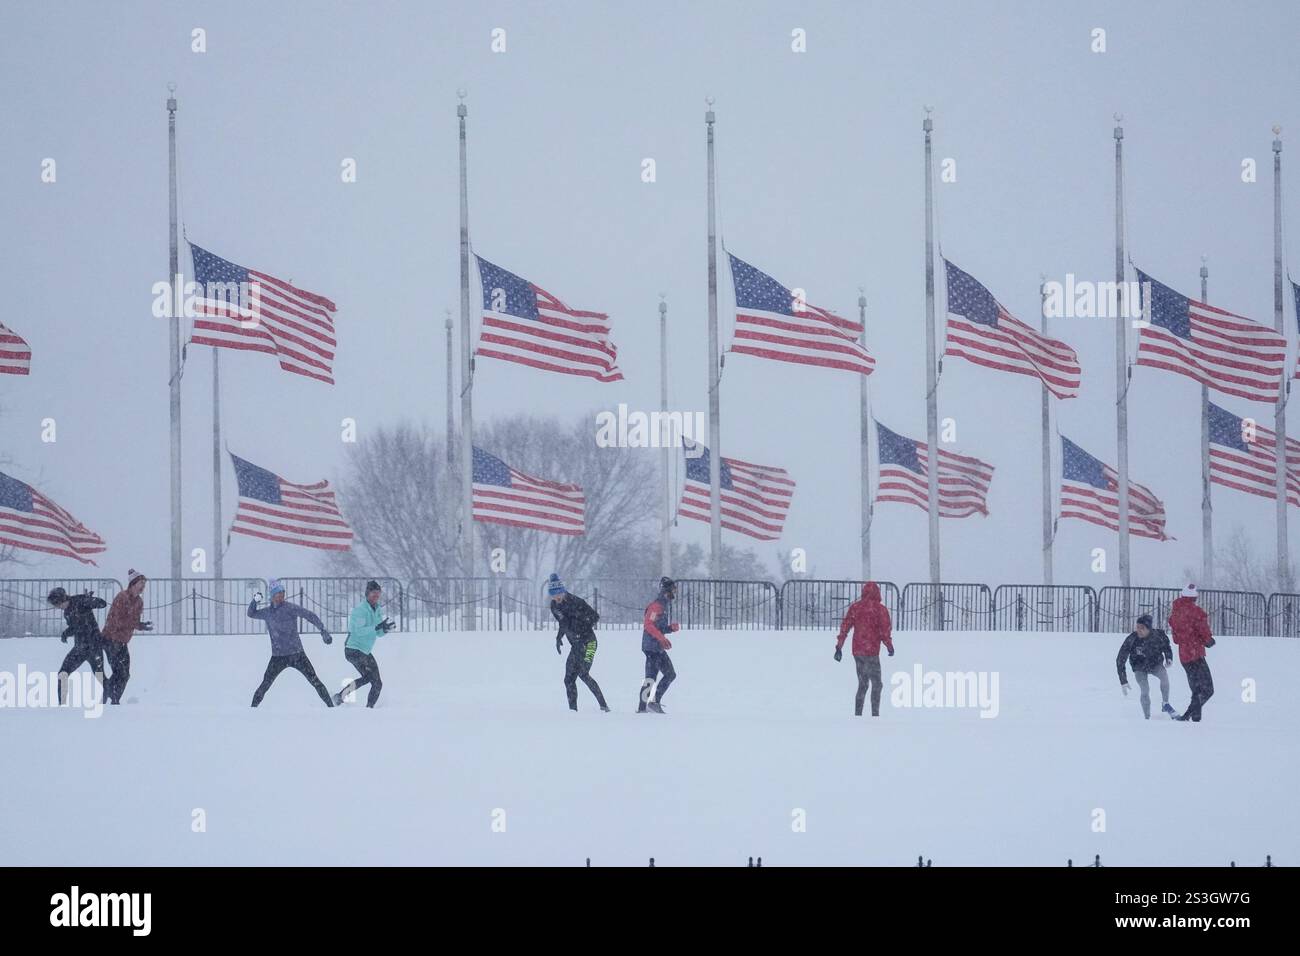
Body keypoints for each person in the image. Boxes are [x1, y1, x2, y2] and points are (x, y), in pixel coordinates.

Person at [247, 579, 335, 708]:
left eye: (282, 593)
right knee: (265, 683)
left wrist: (323, 630)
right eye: (278, 593)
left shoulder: (290, 608)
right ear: (272, 595)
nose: (281, 596)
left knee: (315, 680)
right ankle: (251, 710)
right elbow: (251, 614)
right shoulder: (267, 612)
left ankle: (331, 707)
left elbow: (310, 615)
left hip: (297, 654)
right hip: (278, 657)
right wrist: (255, 601)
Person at [546, 573, 609, 712]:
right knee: (568, 679)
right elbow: (564, 622)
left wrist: (581, 625)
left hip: (590, 643)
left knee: (583, 674)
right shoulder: (554, 606)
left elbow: (595, 617)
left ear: (563, 591)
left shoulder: (576, 602)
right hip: (576, 646)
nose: (557, 598)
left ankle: (604, 707)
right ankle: (573, 712)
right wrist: (559, 637)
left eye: (559, 594)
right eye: (553, 595)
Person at [833, 582, 895, 717]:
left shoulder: (856, 607)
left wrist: (839, 647)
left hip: (858, 652)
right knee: (877, 684)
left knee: (863, 684)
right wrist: (889, 646)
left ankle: (858, 714)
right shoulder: (880, 610)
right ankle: (875, 715)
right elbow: (885, 632)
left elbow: (845, 627)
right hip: (872, 652)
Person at [334, 580, 395, 707]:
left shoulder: (377, 609)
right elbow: (359, 631)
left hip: (364, 651)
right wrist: (377, 626)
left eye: (378, 594)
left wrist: (385, 629)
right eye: (373, 594)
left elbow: (377, 633)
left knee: (370, 679)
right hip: (353, 650)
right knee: (376, 682)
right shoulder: (360, 610)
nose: (376, 597)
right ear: (367, 594)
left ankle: (340, 697)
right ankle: (369, 709)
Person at [100, 569, 153, 705]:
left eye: (144, 585)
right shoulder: (121, 597)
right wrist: (136, 624)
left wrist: (141, 625)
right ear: (133, 584)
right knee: (119, 672)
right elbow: (116, 620)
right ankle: (112, 697)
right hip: (110, 639)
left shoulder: (139, 602)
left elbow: (133, 621)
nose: (142, 587)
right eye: (141, 583)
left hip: (122, 641)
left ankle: (113, 697)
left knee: (125, 674)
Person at [48, 587, 108, 705]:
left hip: (94, 646)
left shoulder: (81, 601)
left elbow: (103, 603)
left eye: (57, 604)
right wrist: (66, 633)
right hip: (80, 648)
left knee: (100, 675)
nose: (58, 607)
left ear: (61, 599)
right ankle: (62, 704)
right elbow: (75, 627)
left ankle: (111, 700)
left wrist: (90, 600)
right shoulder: (67, 612)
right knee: (62, 674)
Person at [1168, 584, 1216, 722]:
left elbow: (1176, 640)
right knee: (1208, 690)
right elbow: (1204, 633)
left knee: (1196, 690)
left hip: (1184, 656)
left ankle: (1195, 721)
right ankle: (1188, 715)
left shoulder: (1175, 614)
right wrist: (1208, 640)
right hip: (1196, 654)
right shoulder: (1196, 612)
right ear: (1195, 597)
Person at [1115, 613, 1176, 719]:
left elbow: (1166, 647)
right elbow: (1120, 659)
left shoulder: (1159, 635)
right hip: (1139, 667)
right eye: (1137, 627)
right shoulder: (1132, 639)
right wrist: (1123, 680)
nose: (1139, 630)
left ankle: (1165, 703)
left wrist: (1169, 658)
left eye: (1142, 628)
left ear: (1149, 629)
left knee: (1165, 678)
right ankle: (1147, 718)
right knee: (1145, 690)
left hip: (1155, 664)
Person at [638, 576, 680, 714]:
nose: (675, 592)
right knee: (651, 678)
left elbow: (658, 627)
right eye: (674, 589)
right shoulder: (656, 606)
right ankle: (643, 708)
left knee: (670, 674)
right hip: (651, 648)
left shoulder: (663, 605)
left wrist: (670, 629)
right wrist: (661, 638)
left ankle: (653, 703)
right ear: (667, 590)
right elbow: (648, 625)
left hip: (657, 647)